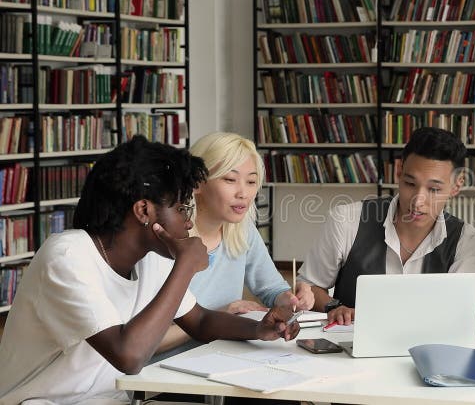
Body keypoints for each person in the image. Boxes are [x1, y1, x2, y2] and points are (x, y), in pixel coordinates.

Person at [0, 136, 300, 404]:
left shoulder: (150, 257)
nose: (188, 222)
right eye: (182, 209)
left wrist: (258, 329)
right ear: (144, 211)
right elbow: (128, 356)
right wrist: (184, 265)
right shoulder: (67, 256)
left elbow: (201, 321)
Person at [298, 127, 475, 324]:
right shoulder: (346, 220)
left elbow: (467, 309)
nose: (418, 201)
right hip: (349, 347)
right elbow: (309, 285)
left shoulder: (465, 240)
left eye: (434, 189)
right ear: (399, 171)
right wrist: (334, 308)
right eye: (410, 183)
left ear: (456, 185)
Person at [155, 132, 314, 360]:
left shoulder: (242, 231)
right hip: (166, 374)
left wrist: (290, 300)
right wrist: (220, 316)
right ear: (197, 182)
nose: (244, 193)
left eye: (251, 182)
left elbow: (272, 289)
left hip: (222, 358)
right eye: (230, 180)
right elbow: (147, 341)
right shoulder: (165, 241)